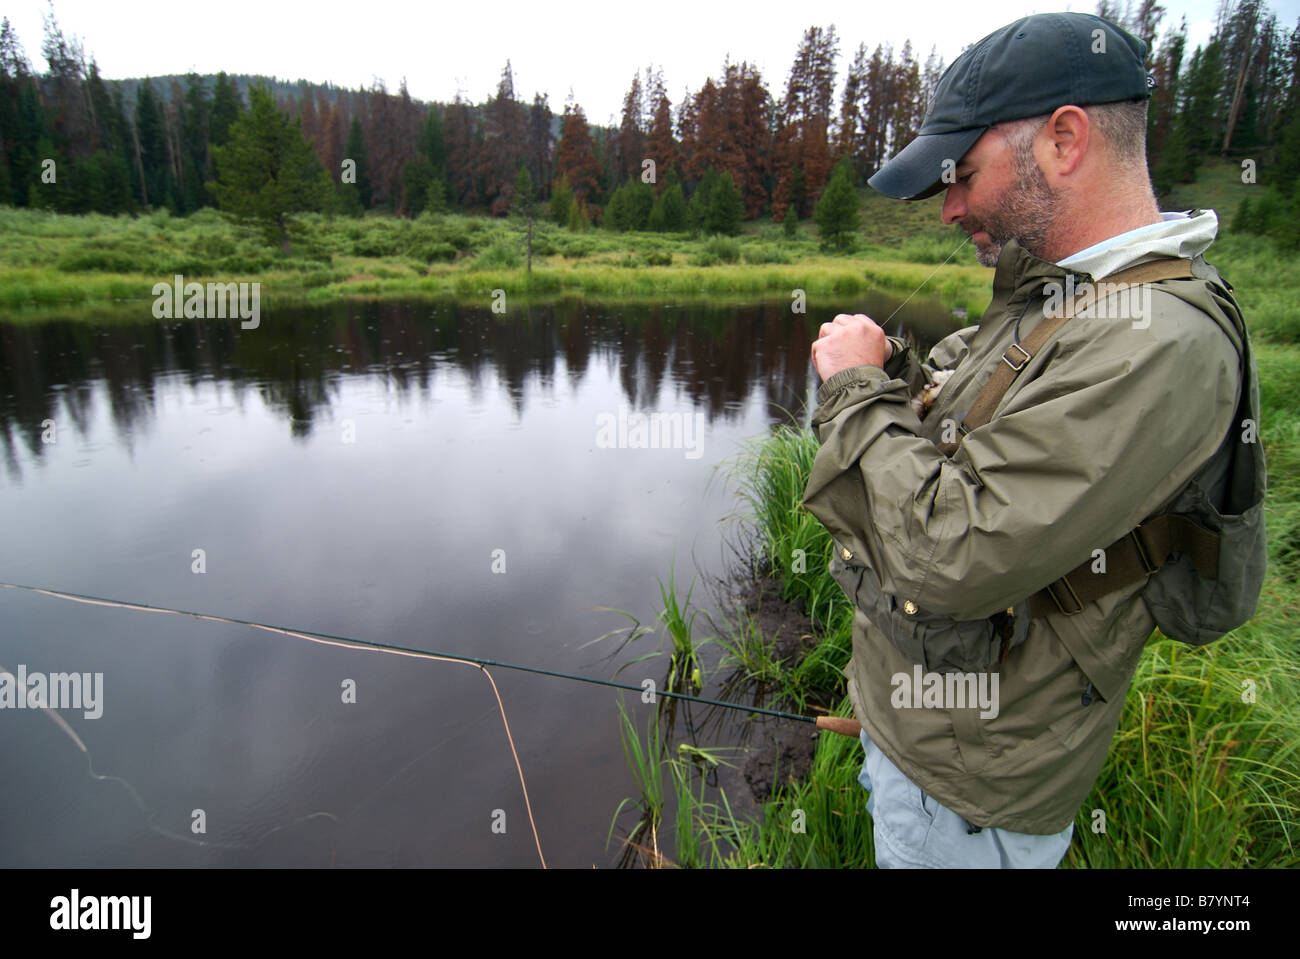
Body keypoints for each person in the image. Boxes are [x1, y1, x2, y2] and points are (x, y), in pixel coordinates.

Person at [803, 12, 1249, 868]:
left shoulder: (1155, 340)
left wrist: (855, 389)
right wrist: (893, 372)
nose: (950, 209)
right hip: (935, 748)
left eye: (962, 174)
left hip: (971, 799)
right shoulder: (1066, 296)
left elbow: (950, 551)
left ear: (1065, 140)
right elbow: (969, 428)